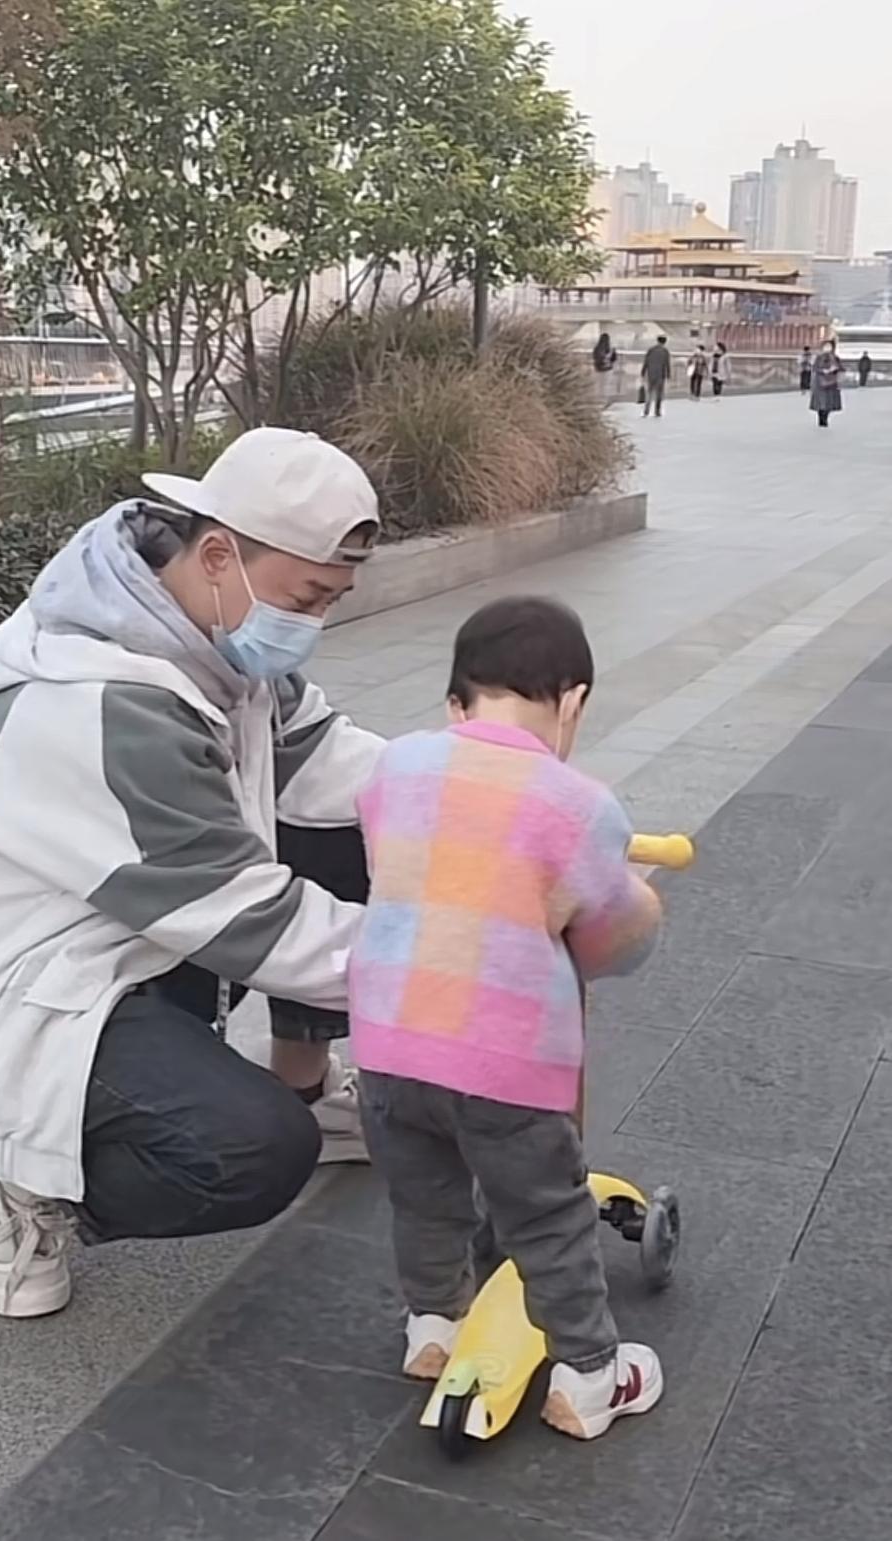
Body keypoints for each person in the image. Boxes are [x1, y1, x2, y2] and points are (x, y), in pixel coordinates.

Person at [0, 426, 387, 1319]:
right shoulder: (107, 698)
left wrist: (493, 801)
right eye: (307, 597)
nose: (313, 624)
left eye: (330, 601)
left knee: (357, 817)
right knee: (255, 1151)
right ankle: (21, 1177)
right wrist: (456, 966)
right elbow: (250, 920)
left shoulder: (210, 635)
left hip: (131, 930)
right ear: (220, 555)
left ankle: (305, 1078)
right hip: (9, 991)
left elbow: (332, 766)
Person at [350, 596, 665, 1442]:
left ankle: (433, 1325)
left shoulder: (395, 767)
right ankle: (591, 1374)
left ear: (456, 701)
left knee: (424, 1197)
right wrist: (640, 907)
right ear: (574, 701)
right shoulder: (580, 804)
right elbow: (607, 940)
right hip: (504, 1061)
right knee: (547, 1213)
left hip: (387, 1045)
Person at [811, 340, 844, 427]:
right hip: (820, 383)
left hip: (831, 383)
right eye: (826, 346)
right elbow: (815, 368)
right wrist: (823, 371)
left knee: (829, 403)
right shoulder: (819, 357)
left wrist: (835, 369)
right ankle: (821, 418)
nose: (827, 348)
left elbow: (841, 368)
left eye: (829, 346)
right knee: (821, 403)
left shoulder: (835, 358)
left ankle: (825, 418)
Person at [640, 334, 671, 417]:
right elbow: (667, 364)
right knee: (659, 394)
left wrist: (643, 372)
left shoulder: (651, 350)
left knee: (649, 392)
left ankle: (646, 411)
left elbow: (646, 361)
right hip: (660, 375)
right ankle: (657, 411)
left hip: (650, 374)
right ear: (665, 342)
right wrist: (668, 375)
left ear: (657, 341)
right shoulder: (665, 351)